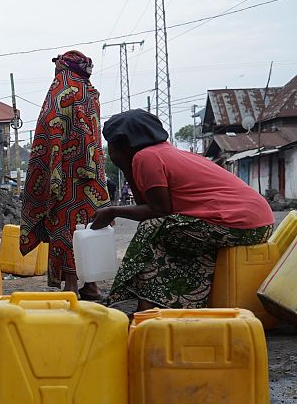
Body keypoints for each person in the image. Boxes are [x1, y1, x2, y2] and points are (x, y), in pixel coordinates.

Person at [92, 109, 275, 311]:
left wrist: (112, 211)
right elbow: (147, 203)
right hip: (258, 223)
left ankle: (143, 304)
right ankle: (162, 304)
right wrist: (126, 167)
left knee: (153, 229)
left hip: (239, 224)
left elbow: (159, 210)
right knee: (169, 235)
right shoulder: (161, 152)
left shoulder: (147, 157)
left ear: (122, 144)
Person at [20, 50, 109, 300]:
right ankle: (90, 285)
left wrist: (51, 169)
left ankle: (71, 286)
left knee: (65, 228)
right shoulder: (90, 92)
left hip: (66, 173)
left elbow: (49, 127)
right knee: (91, 226)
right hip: (92, 174)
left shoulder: (61, 89)